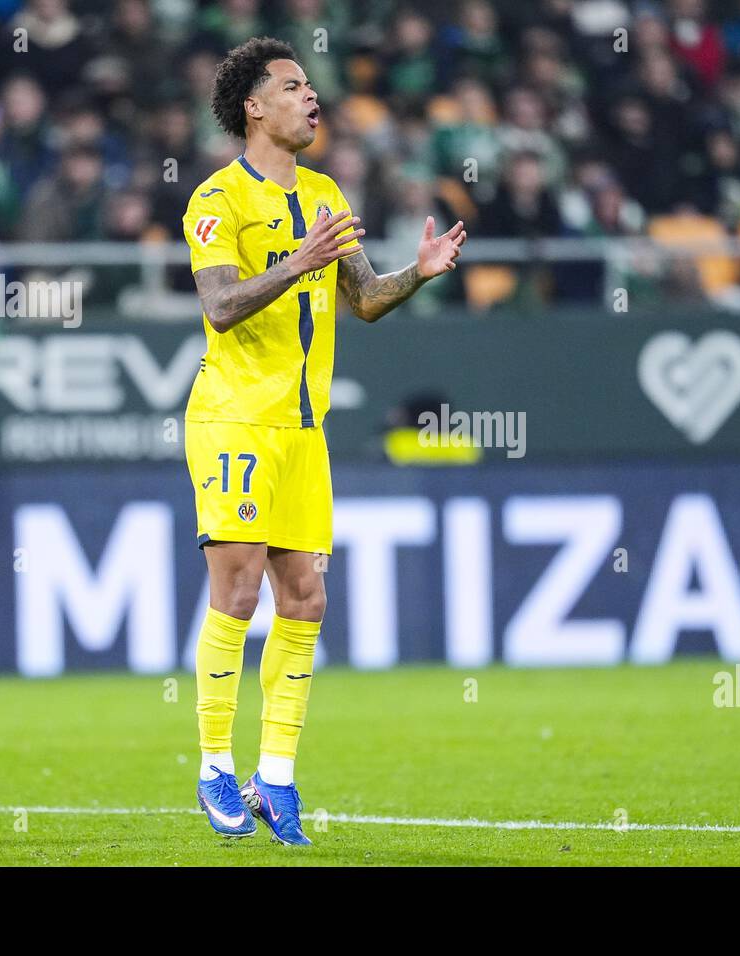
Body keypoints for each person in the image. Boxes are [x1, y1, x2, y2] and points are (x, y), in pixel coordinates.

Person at [183, 37, 466, 843]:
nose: (313, 98)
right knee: (236, 593)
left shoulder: (325, 194)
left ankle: (274, 778)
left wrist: (419, 273)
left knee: (306, 598)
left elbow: (365, 300)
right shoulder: (215, 199)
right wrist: (297, 260)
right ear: (254, 106)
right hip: (234, 416)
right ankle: (212, 768)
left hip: (304, 432)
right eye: (293, 86)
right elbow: (222, 305)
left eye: (312, 88)